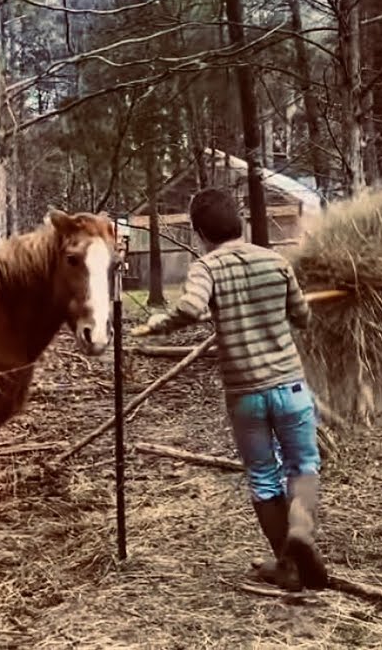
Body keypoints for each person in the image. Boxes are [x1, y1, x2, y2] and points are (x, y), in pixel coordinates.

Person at [137, 187, 329, 591]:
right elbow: (302, 317)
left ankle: (287, 564)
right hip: (290, 386)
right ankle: (300, 531)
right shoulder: (276, 262)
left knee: (263, 477)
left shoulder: (206, 268)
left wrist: (160, 322)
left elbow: (190, 308)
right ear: (238, 219)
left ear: (199, 231)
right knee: (304, 466)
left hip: (246, 395)